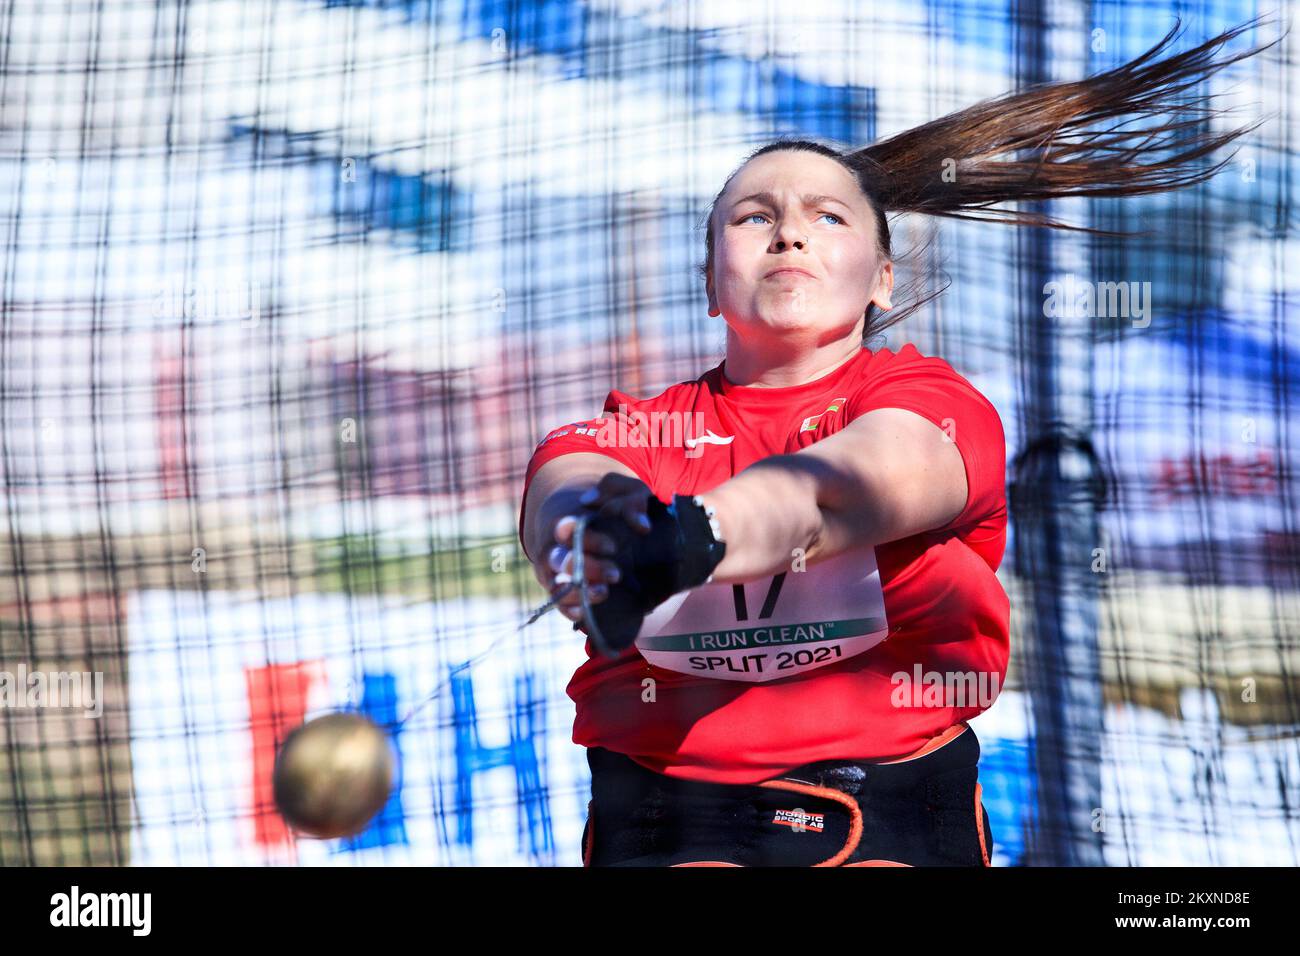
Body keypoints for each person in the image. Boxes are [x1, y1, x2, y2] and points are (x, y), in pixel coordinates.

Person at [517, 19, 1275, 866]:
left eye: (828, 216)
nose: (789, 234)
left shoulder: (932, 407)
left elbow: (831, 490)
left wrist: (690, 537)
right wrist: (597, 529)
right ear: (708, 281)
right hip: (663, 815)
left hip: (888, 815)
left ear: (883, 280)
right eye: (754, 216)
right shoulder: (633, 430)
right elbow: (570, 483)